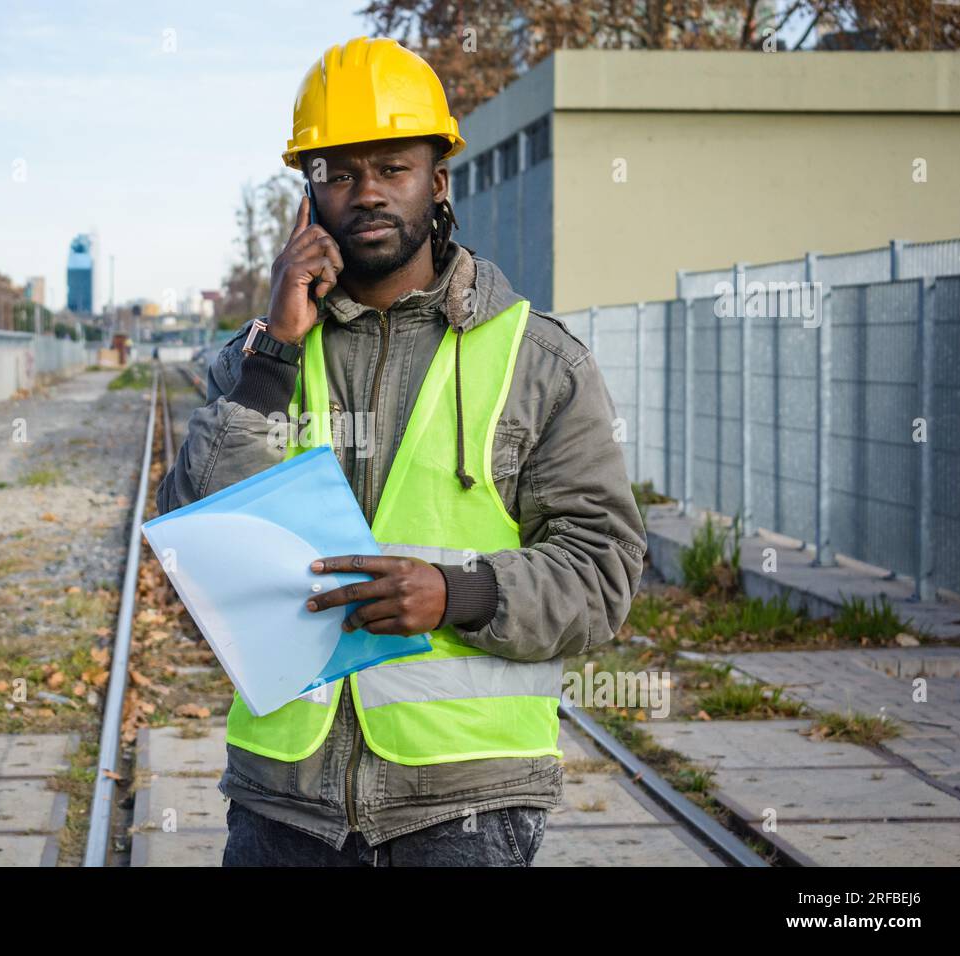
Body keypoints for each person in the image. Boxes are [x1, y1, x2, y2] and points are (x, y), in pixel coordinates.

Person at [156, 35, 645, 866]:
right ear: (309, 195)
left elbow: (604, 572)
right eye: (340, 173)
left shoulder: (539, 360)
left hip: (468, 808)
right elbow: (191, 536)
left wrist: (462, 593)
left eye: (393, 167)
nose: (368, 193)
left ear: (439, 179)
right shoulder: (259, 358)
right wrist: (274, 349)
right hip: (283, 802)